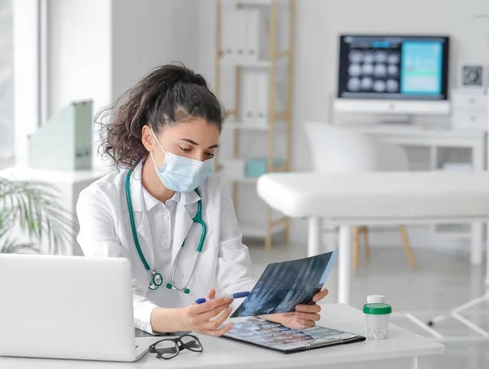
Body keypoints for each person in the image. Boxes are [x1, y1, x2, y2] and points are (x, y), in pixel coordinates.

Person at [76, 63, 328, 337]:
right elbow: (117, 295)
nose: (198, 162)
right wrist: (180, 319)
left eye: (208, 153)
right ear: (149, 138)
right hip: (128, 341)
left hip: (201, 341)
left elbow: (236, 277)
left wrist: (273, 309)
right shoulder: (100, 200)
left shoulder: (213, 191)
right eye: (185, 148)